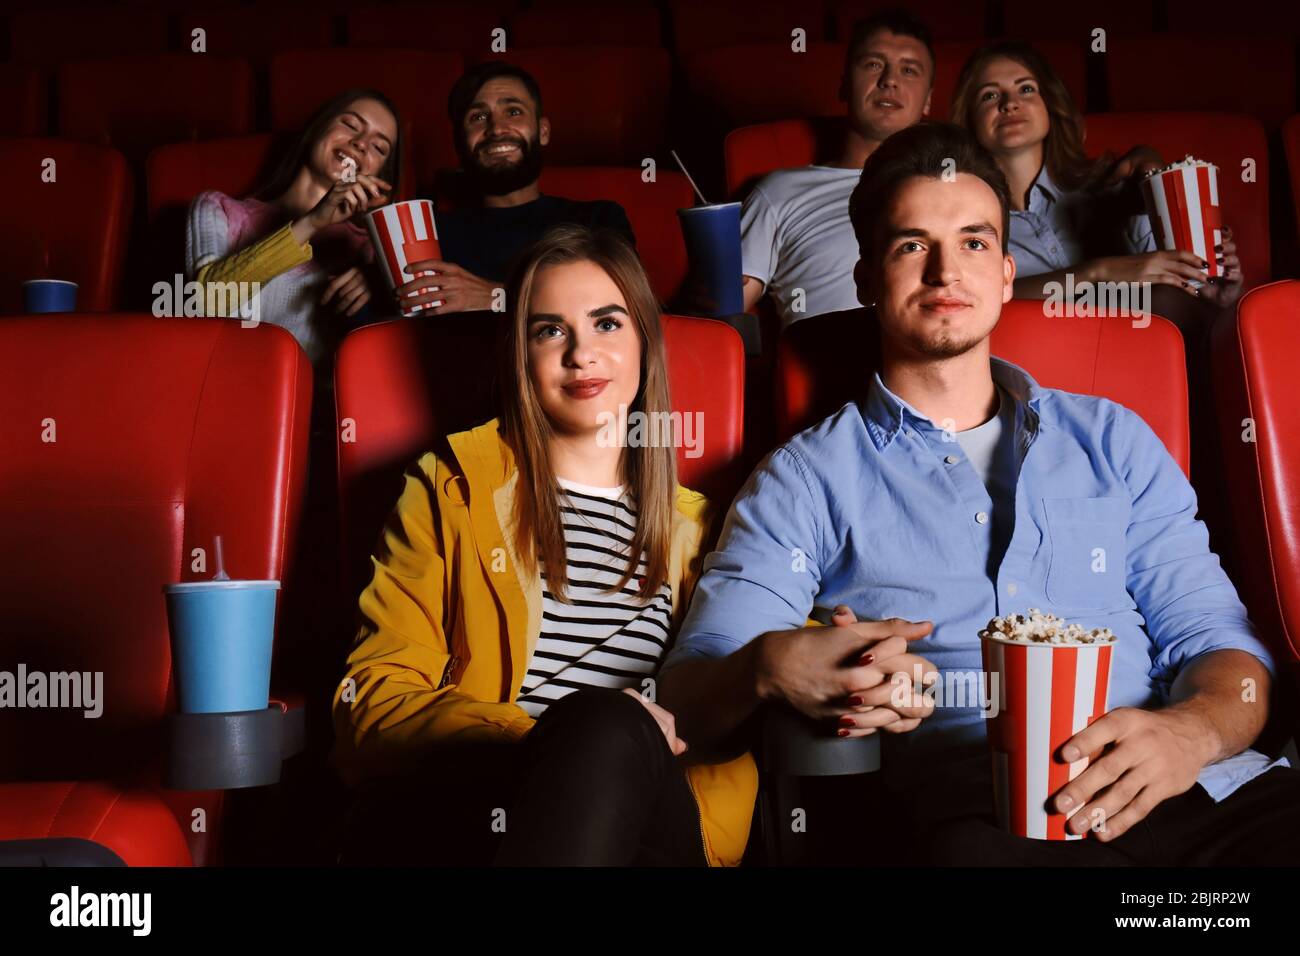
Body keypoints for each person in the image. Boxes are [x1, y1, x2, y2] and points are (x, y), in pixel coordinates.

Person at [657, 122, 1300, 866]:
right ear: (866, 276)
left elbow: (1220, 644)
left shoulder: (1113, 439)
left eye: (972, 242)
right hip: (987, 817)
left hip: (1196, 792)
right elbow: (687, 703)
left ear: (1004, 271)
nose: (944, 273)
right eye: (910, 245)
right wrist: (770, 665)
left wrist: (1192, 731)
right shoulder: (806, 476)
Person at [331, 224, 757, 866]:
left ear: (646, 342)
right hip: (483, 808)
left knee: (612, 731)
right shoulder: (449, 489)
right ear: (521, 354)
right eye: (550, 329)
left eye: (608, 323)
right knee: (603, 725)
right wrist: (549, 740)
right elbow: (371, 703)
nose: (581, 354)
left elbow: (763, 655)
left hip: (654, 829)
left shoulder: (707, 530)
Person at [949, 41, 1243, 316]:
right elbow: (981, 301)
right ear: (970, 119)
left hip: (1140, 354)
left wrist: (1214, 293)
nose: (1009, 104)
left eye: (1026, 89)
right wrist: (1097, 272)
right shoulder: (964, 218)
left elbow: (1180, 295)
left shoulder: (1114, 191)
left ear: (1051, 107)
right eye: (989, 95)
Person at [185, 88, 399, 389]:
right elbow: (208, 302)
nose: (361, 144)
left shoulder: (370, 251)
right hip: (219, 391)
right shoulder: (219, 209)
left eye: (379, 147)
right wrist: (311, 222)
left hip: (316, 415)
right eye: (350, 125)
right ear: (316, 130)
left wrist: (381, 283)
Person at [738, 9, 933, 328]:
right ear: (844, 85)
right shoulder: (780, 191)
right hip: (829, 369)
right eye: (873, 65)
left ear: (928, 100)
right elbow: (721, 314)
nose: (890, 81)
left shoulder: (953, 188)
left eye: (909, 70)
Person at [394, 62, 638, 316]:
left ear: (543, 131)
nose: (497, 129)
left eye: (513, 112)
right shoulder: (430, 234)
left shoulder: (598, 219)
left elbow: (627, 301)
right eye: (477, 117)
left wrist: (497, 296)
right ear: (459, 143)